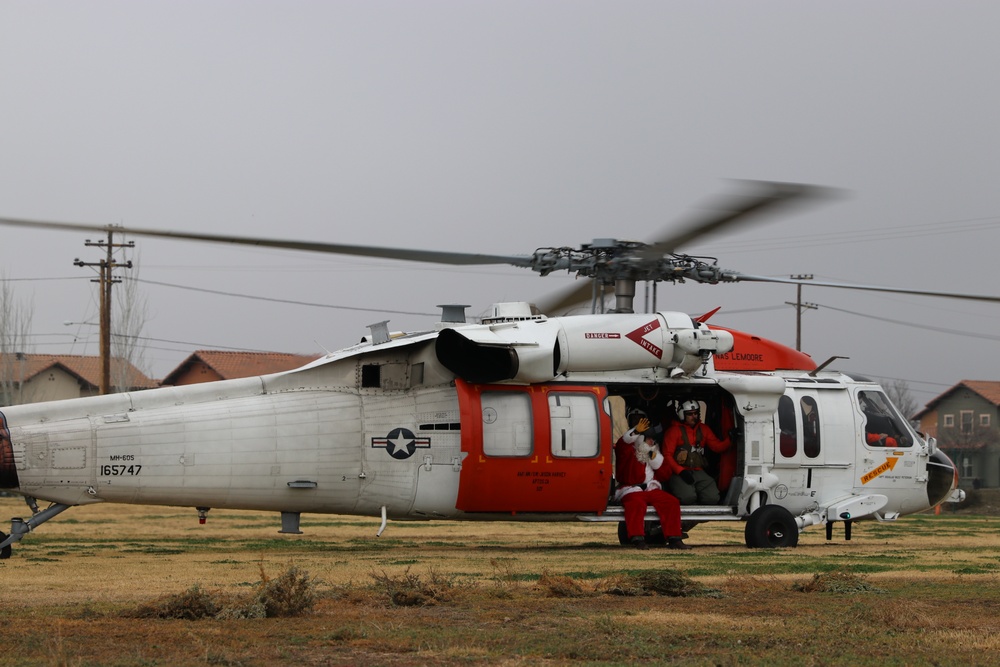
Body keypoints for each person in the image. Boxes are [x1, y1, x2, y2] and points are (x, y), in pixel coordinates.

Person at [614, 409, 690, 550]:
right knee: (636, 504)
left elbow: (665, 475)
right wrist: (635, 432)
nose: (651, 441)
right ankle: (637, 538)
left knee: (671, 502)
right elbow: (622, 444)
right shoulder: (627, 450)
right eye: (648, 439)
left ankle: (674, 538)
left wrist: (656, 459)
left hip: (650, 488)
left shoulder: (652, 452)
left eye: (652, 440)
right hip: (631, 489)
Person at [663, 400, 732, 505]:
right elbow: (667, 455)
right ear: (682, 415)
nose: (694, 416)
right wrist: (680, 471)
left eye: (696, 413)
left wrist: (730, 439)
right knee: (688, 498)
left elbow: (717, 447)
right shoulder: (674, 431)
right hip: (678, 473)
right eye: (690, 414)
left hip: (698, 471)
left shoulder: (704, 429)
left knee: (712, 498)